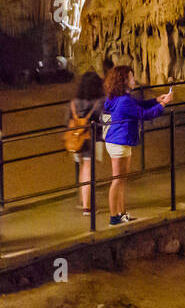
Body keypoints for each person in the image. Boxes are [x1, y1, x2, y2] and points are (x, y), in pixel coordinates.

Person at [101, 65, 174, 225]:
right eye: (132, 77)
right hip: (119, 141)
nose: (134, 79)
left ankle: (121, 214)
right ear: (124, 80)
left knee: (121, 180)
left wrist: (156, 100)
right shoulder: (124, 101)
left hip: (119, 140)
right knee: (117, 180)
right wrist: (163, 105)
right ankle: (114, 217)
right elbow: (144, 114)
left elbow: (139, 104)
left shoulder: (117, 97)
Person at [66, 71, 105, 216]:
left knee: (83, 168)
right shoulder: (99, 102)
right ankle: (87, 207)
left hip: (76, 139)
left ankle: (83, 200)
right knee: (88, 168)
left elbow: (68, 121)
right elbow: (103, 120)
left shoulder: (74, 102)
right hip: (91, 139)